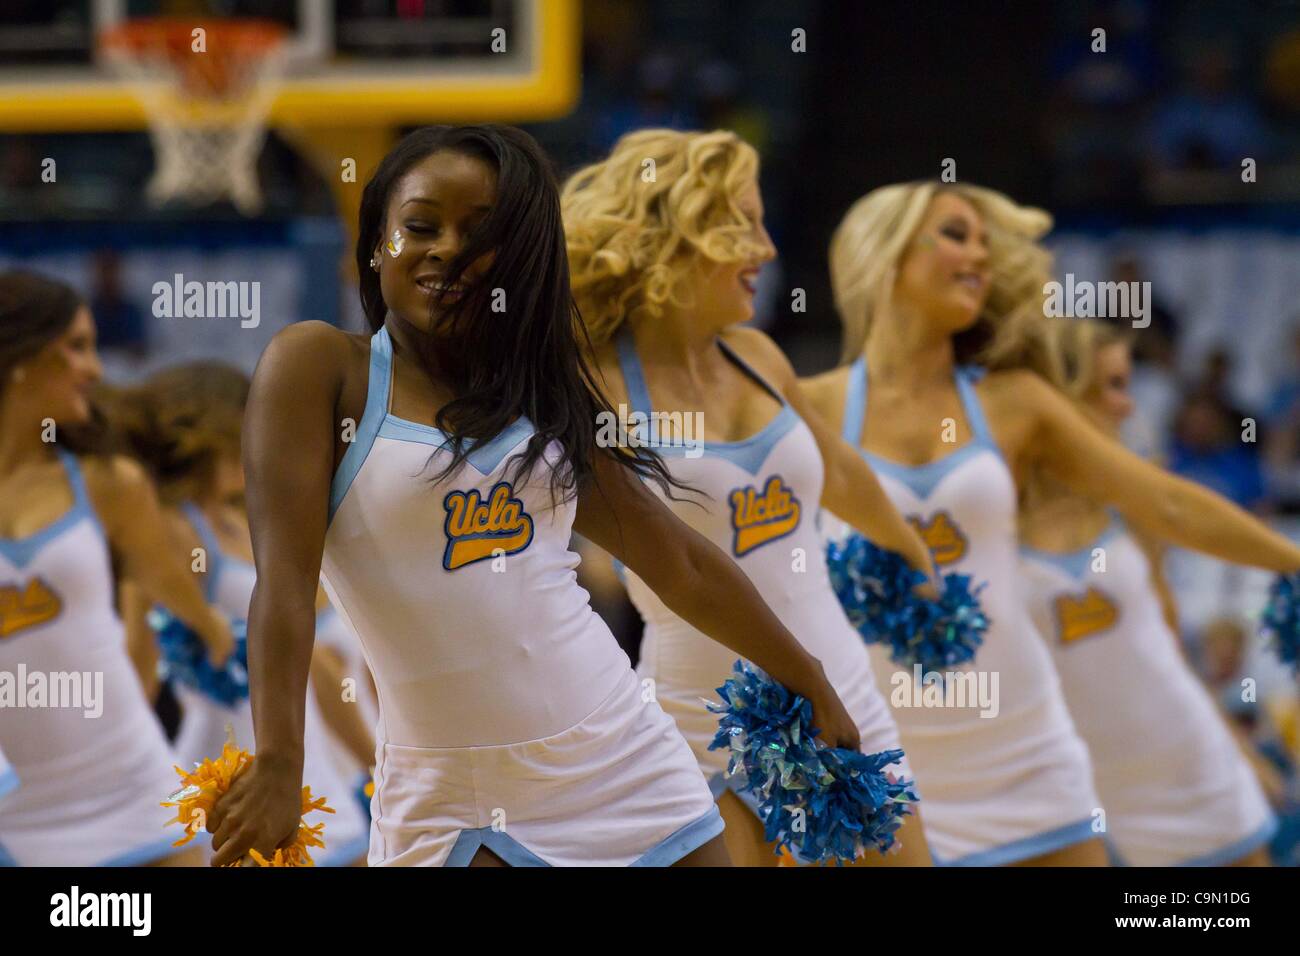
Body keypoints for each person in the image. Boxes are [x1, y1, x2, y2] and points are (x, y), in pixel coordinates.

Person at [205, 124, 861, 868]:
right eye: (420, 226)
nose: (447, 248)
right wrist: (281, 762)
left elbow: (680, 561)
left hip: (624, 762)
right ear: (376, 243)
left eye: (480, 235)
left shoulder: (541, 396)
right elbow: (284, 587)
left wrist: (809, 678)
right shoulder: (319, 368)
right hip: (452, 797)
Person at [801, 181, 1300, 866]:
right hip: (886, 757)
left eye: (983, 240)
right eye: (954, 235)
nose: (978, 253)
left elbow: (1167, 501)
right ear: (882, 253)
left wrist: (1292, 561)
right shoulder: (812, 409)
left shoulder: (1014, 405)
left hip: (1026, 748)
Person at [563, 128, 937, 866]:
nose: (766, 249)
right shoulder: (594, 386)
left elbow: (841, 471)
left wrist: (908, 543)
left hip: (841, 693)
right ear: (673, 234)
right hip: (700, 722)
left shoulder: (760, 355)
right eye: (742, 223)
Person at [1018, 317, 1278, 866]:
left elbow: (1165, 651)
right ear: (1060, 394)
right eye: (1111, 386)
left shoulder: (1132, 496)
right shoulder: (994, 510)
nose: (1128, 406)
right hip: (1080, 787)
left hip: (1190, 762)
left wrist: (1234, 745)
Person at [0, 270, 233, 866]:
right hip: (16, 819)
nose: (96, 370)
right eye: (76, 347)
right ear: (21, 358)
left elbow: (169, 586)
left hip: (133, 785)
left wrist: (216, 639)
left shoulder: (108, 483)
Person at [110, 362, 371, 866]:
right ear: (213, 430)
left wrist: (371, 759)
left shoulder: (239, 521)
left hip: (299, 746)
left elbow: (310, 659)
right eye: (244, 429)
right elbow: (139, 658)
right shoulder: (165, 524)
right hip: (228, 757)